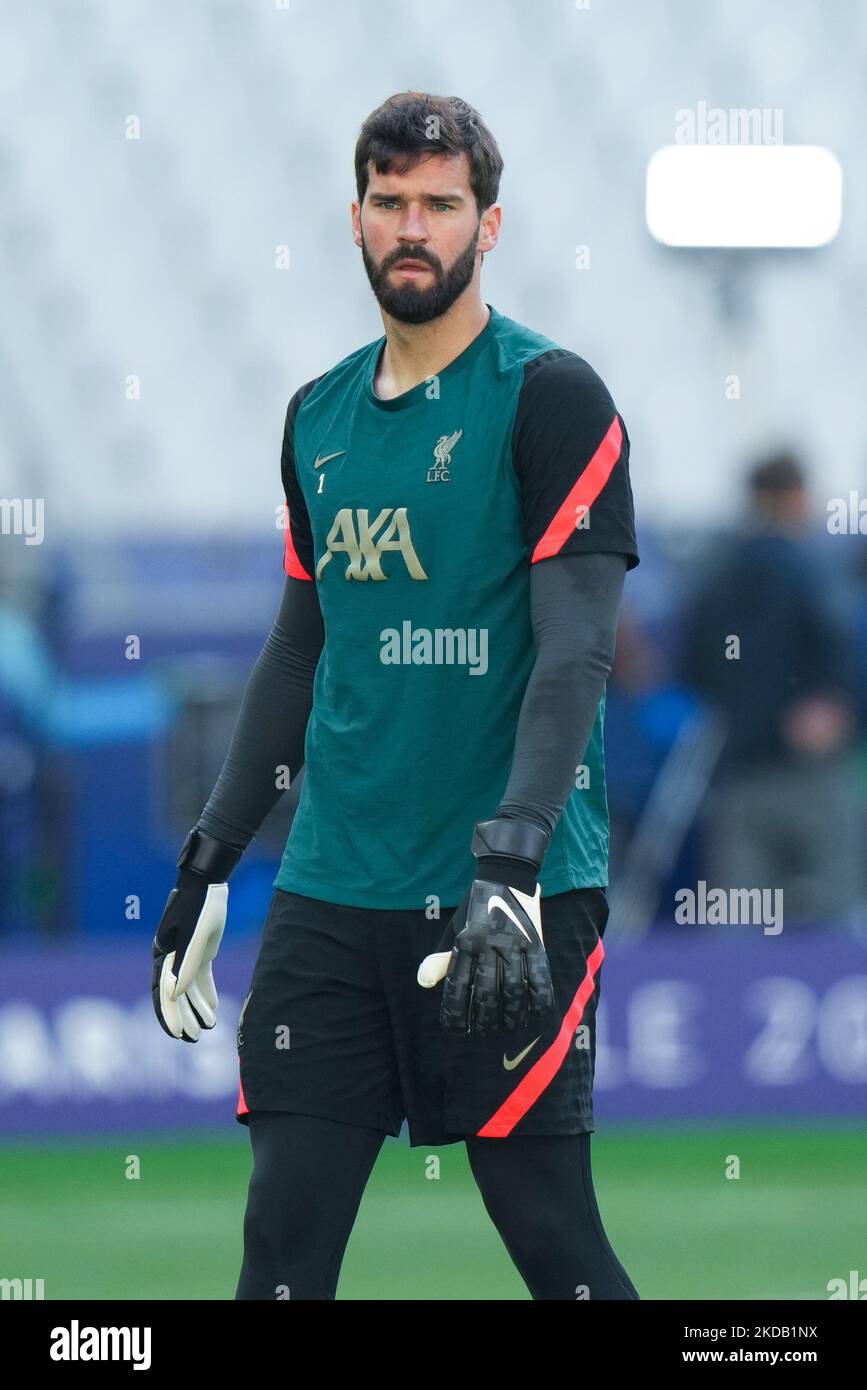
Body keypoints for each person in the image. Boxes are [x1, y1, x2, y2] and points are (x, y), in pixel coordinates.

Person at [151, 91, 641, 1301]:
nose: (412, 226)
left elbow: (575, 652)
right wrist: (209, 854)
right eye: (390, 203)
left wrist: (513, 865)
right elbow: (295, 651)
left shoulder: (552, 397)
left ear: (490, 223)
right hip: (332, 886)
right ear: (356, 217)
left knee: (553, 1243)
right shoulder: (314, 417)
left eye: (440, 204)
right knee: (281, 1243)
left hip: (508, 892)